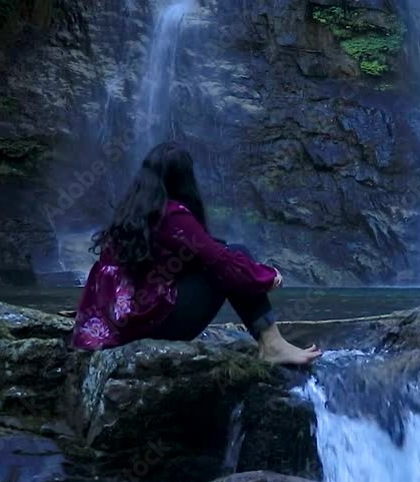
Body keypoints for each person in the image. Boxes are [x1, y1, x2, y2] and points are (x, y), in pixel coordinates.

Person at [71, 141, 322, 365]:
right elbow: (222, 262)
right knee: (234, 255)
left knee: (221, 256)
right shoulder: (172, 214)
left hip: (116, 326)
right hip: (147, 326)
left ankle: (273, 345)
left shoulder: (132, 212)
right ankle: (273, 345)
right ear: (184, 179)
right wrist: (267, 276)